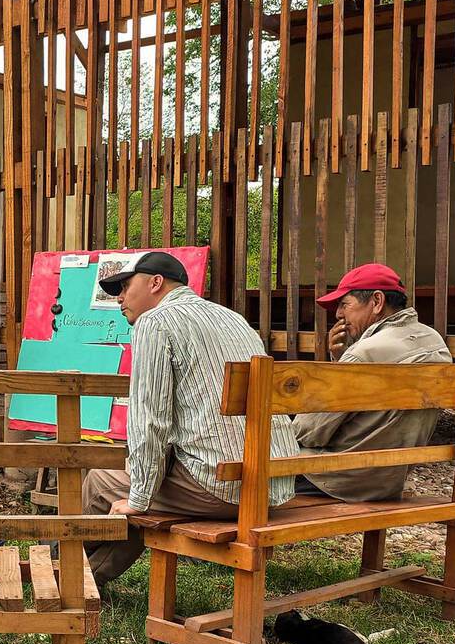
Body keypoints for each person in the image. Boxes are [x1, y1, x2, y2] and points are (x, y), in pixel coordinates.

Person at [81, 252, 299, 590]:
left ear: (156, 282)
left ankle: (65, 571)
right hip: (272, 483)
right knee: (146, 481)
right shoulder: (234, 319)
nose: (120, 297)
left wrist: (139, 498)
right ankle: (88, 579)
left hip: (225, 489)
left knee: (102, 483)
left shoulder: (155, 322)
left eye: (124, 286)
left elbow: (149, 420)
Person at [294, 263, 452, 501]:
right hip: (390, 479)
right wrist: (341, 362)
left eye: (345, 304)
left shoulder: (364, 354)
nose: (338, 314)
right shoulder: (434, 342)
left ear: (377, 301)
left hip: (336, 480)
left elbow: (311, 431)